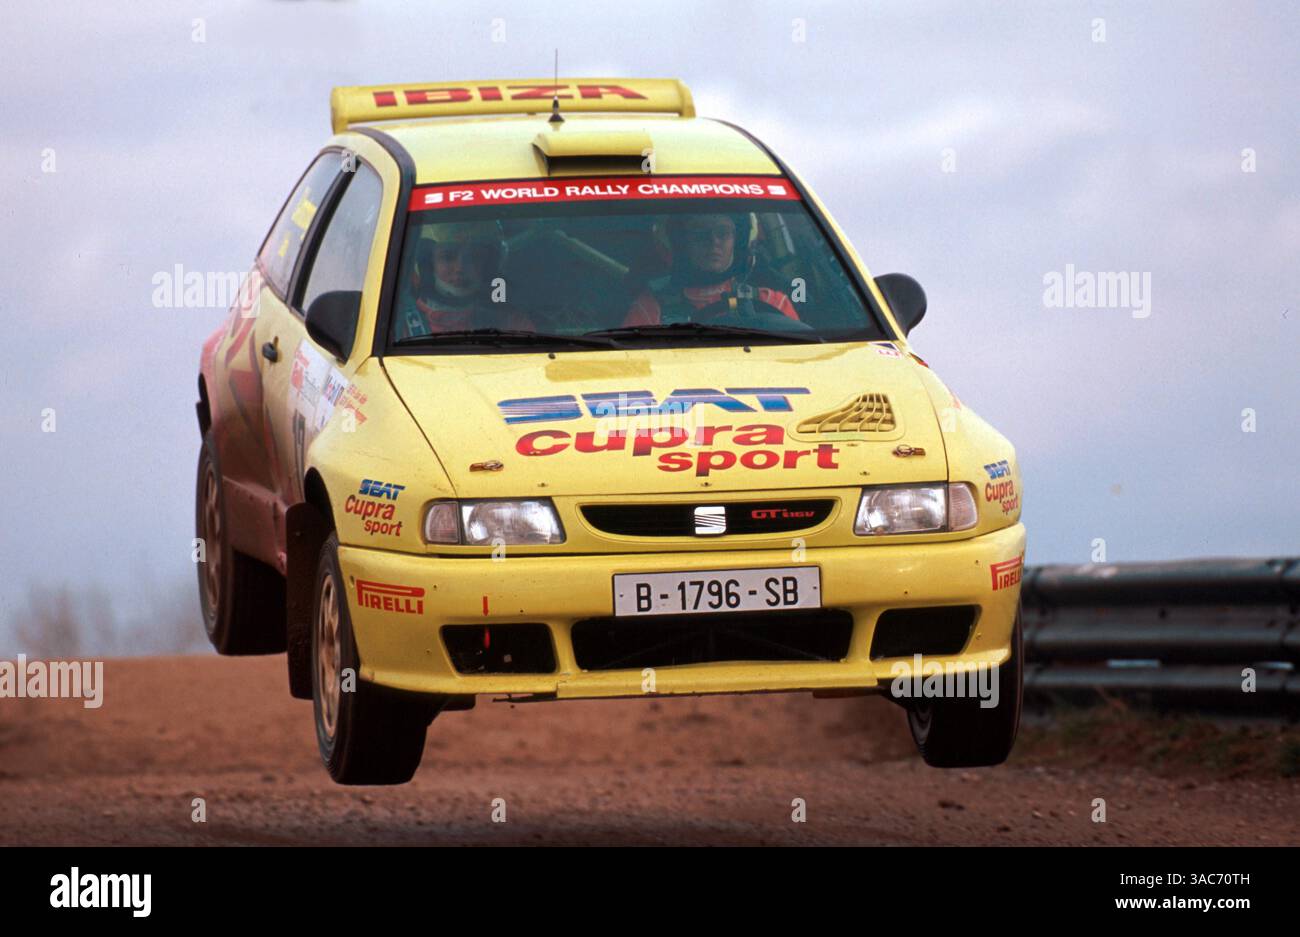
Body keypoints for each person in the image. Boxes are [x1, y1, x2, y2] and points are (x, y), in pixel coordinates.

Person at [623, 213, 799, 327]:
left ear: (737, 242)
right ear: (681, 244)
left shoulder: (772, 301)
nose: (713, 242)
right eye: (700, 234)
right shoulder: (651, 308)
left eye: (723, 233)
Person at [396, 220, 533, 337]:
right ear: (427, 265)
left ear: (488, 266)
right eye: (447, 257)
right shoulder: (397, 323)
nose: (460, 268)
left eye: (473, 257)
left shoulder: (510, 322)